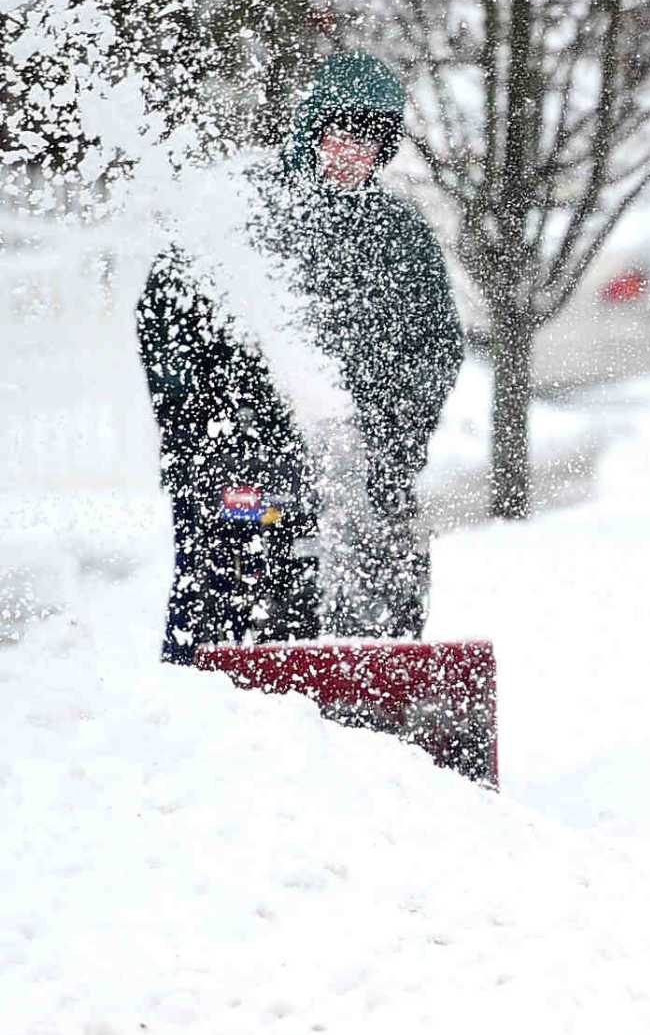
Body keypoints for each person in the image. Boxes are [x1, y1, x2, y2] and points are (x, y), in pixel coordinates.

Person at [136, 51, 464, 664]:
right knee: (243, 592)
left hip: (362, 466)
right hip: (241, 466)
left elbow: (435, 347)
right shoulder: (239, 209)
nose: (354, 154)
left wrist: (393, 442)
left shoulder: (399, 232)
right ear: (313, 127)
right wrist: (217, 430)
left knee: (386, 592)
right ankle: (218, 718)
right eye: (343, 133)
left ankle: (367, 730)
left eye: (372, 143)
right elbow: (167, 328)